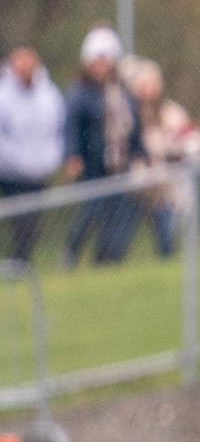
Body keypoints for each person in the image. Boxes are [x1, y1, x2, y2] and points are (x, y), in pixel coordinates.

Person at [61, 27, 143, 267]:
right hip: (94, 166)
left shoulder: (122, 92)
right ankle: (71, 253)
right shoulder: (80, 94)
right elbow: (72, 127)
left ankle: (107, 260)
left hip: (119, 165)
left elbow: (133, 129)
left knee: (120, 215)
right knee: (92, 211)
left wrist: (141, 154)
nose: (102, 65)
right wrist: (73, 156)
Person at [123, 57, 200, 259]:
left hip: (171, 173)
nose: (149, 90)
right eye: (144, 86)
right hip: (145, 174)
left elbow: (186, 137)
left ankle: (177, 248)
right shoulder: (133, 115)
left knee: (180, 202)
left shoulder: (170, 111)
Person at [0, 45, 66, 262]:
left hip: (39, 173)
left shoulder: (49, 95)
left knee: (32, 226)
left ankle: (22, 264)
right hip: (10, 174)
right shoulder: (4, 96)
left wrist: (49, 159)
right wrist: (17, 160)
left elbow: (57, 129)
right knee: (18, 222)